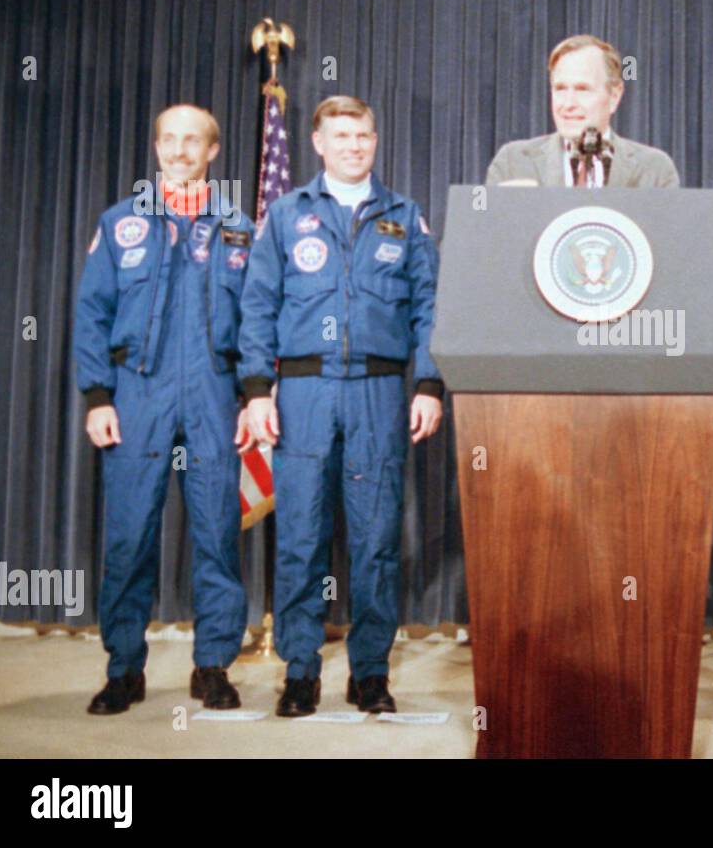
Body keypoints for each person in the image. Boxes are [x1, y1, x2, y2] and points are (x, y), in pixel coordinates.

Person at [238, 95, 443, 717]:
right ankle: (301, 671)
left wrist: (429, 384)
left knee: (377, 537)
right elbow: (258, 305)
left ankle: (371, 672)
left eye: (364, 136)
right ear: (318, 143)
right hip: (303, 392)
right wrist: (253, 391)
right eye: (342, 136)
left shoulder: (404, 217)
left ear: (375, 143)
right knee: (300, 535)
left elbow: (430, 308)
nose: (354, 146)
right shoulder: (285, 215)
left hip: (379, 392)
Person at [74, 104, 252, 715]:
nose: (180, 151)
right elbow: (91, 315)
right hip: (137, 391)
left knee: (217, 533)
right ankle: (124, 668)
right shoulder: (121, 223)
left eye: (193, 140)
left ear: (212, 151)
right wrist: (98, 397)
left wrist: (256, 394)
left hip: (212, 392)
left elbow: (259, 320)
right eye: (170, 140)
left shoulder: (237, 228)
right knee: (128, 535)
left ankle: (213, 665)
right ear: (156, 149)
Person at [485, 34, 679, 188]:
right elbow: (479, 217)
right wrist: (505, 209)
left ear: (614, 96)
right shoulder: (513, 162)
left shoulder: (654, 169)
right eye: (560, 89)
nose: (568, 103)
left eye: (582, 89)